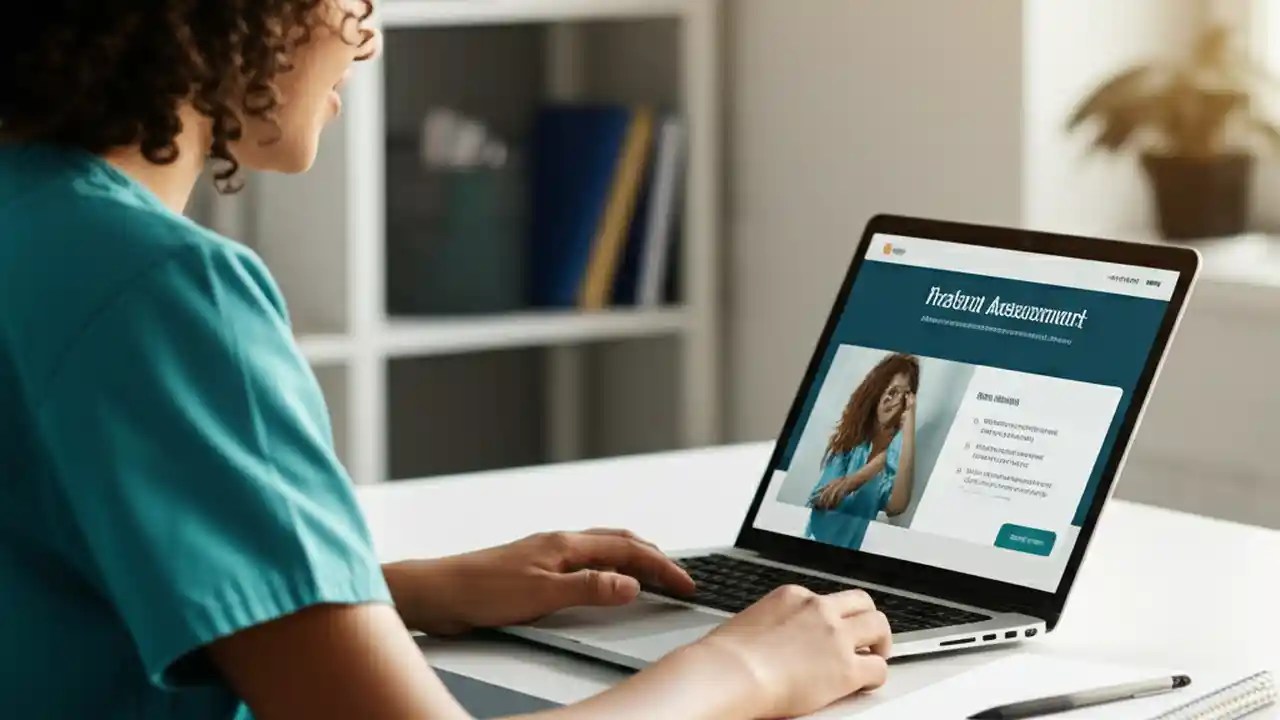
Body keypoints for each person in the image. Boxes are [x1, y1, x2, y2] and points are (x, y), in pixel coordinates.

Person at [0, 3, 893, 719]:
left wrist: (396, 593)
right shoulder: (164, 291)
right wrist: (744, 670)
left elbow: (55, 589)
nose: (371, 37)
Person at [806, 353, 919, 549]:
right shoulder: (851, 443)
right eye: (891, 391)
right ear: (877, 393)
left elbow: (896, 506)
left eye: (904, 395)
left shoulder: (897, 452)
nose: (893, 401)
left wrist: (910, 424)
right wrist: (862, 474)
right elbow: (820, 498)